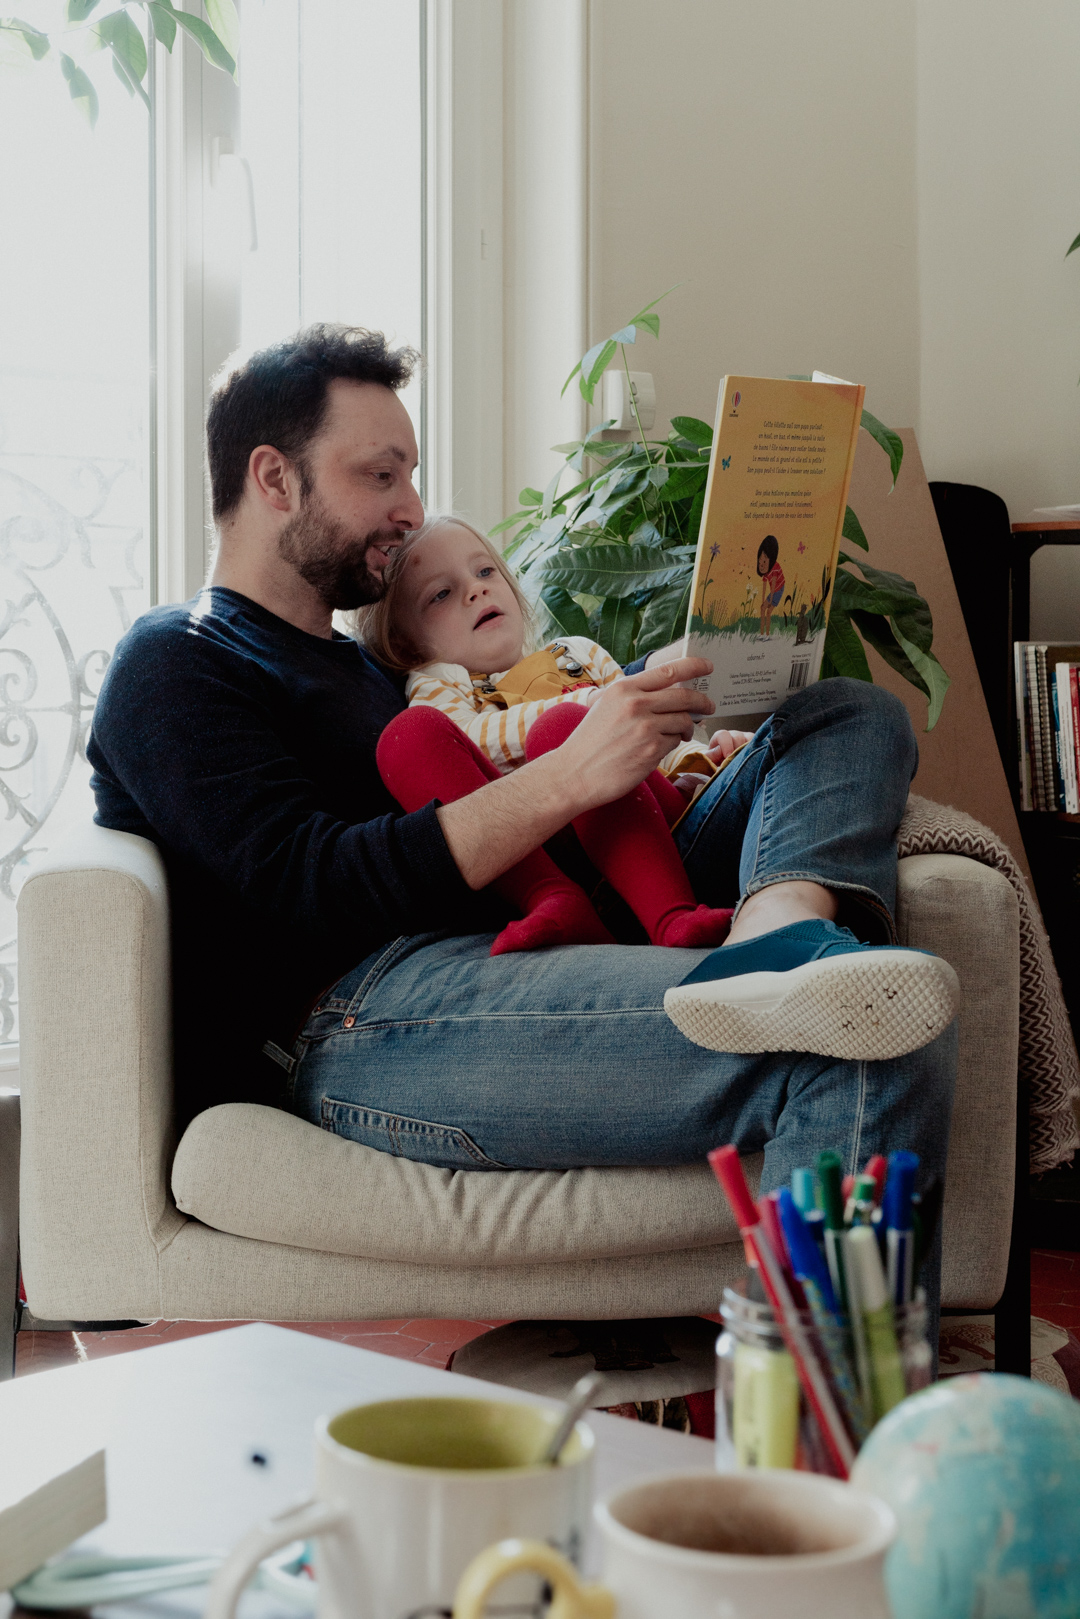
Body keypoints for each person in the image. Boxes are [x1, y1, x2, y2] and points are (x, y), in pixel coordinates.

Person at [87, 325, 957, 1312]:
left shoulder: (385, 671)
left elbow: (528, 753)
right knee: (878, 1025)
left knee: (838, 712)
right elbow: (306, 885)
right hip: (368, 1012)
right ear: (274, 480)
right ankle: (820, 1438)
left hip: (526, 937)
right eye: (380, 476)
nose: (410, 510)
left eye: (409, 474)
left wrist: (664, 736)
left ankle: (778, 934)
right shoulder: (177, 658)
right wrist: (567, 778)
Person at [355, 515, 737, 955]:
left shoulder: (577, 652)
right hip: (547, 851)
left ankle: (673, 917)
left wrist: (705, 758)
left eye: (485, 572)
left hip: (650, 832)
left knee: (566, 729)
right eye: (441, 594)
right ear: (407, 646)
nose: (476, 589)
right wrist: (589, 711)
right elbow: (469, 738)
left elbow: (651, 732)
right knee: (408, 737)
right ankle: (554, 899)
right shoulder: (442, 681)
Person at [757, 534, 784, 638]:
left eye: (764, 561)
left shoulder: (775, 568)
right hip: (773, 590)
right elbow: (764, 586)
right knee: (762, 608)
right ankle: (761, 633)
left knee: (768, 611)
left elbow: (773, 586)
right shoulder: (766, 572)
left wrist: (770, 601)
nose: (761, 565)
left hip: (779, 589)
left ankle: (767, 634)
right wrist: (763, 600)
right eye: (760, 562)